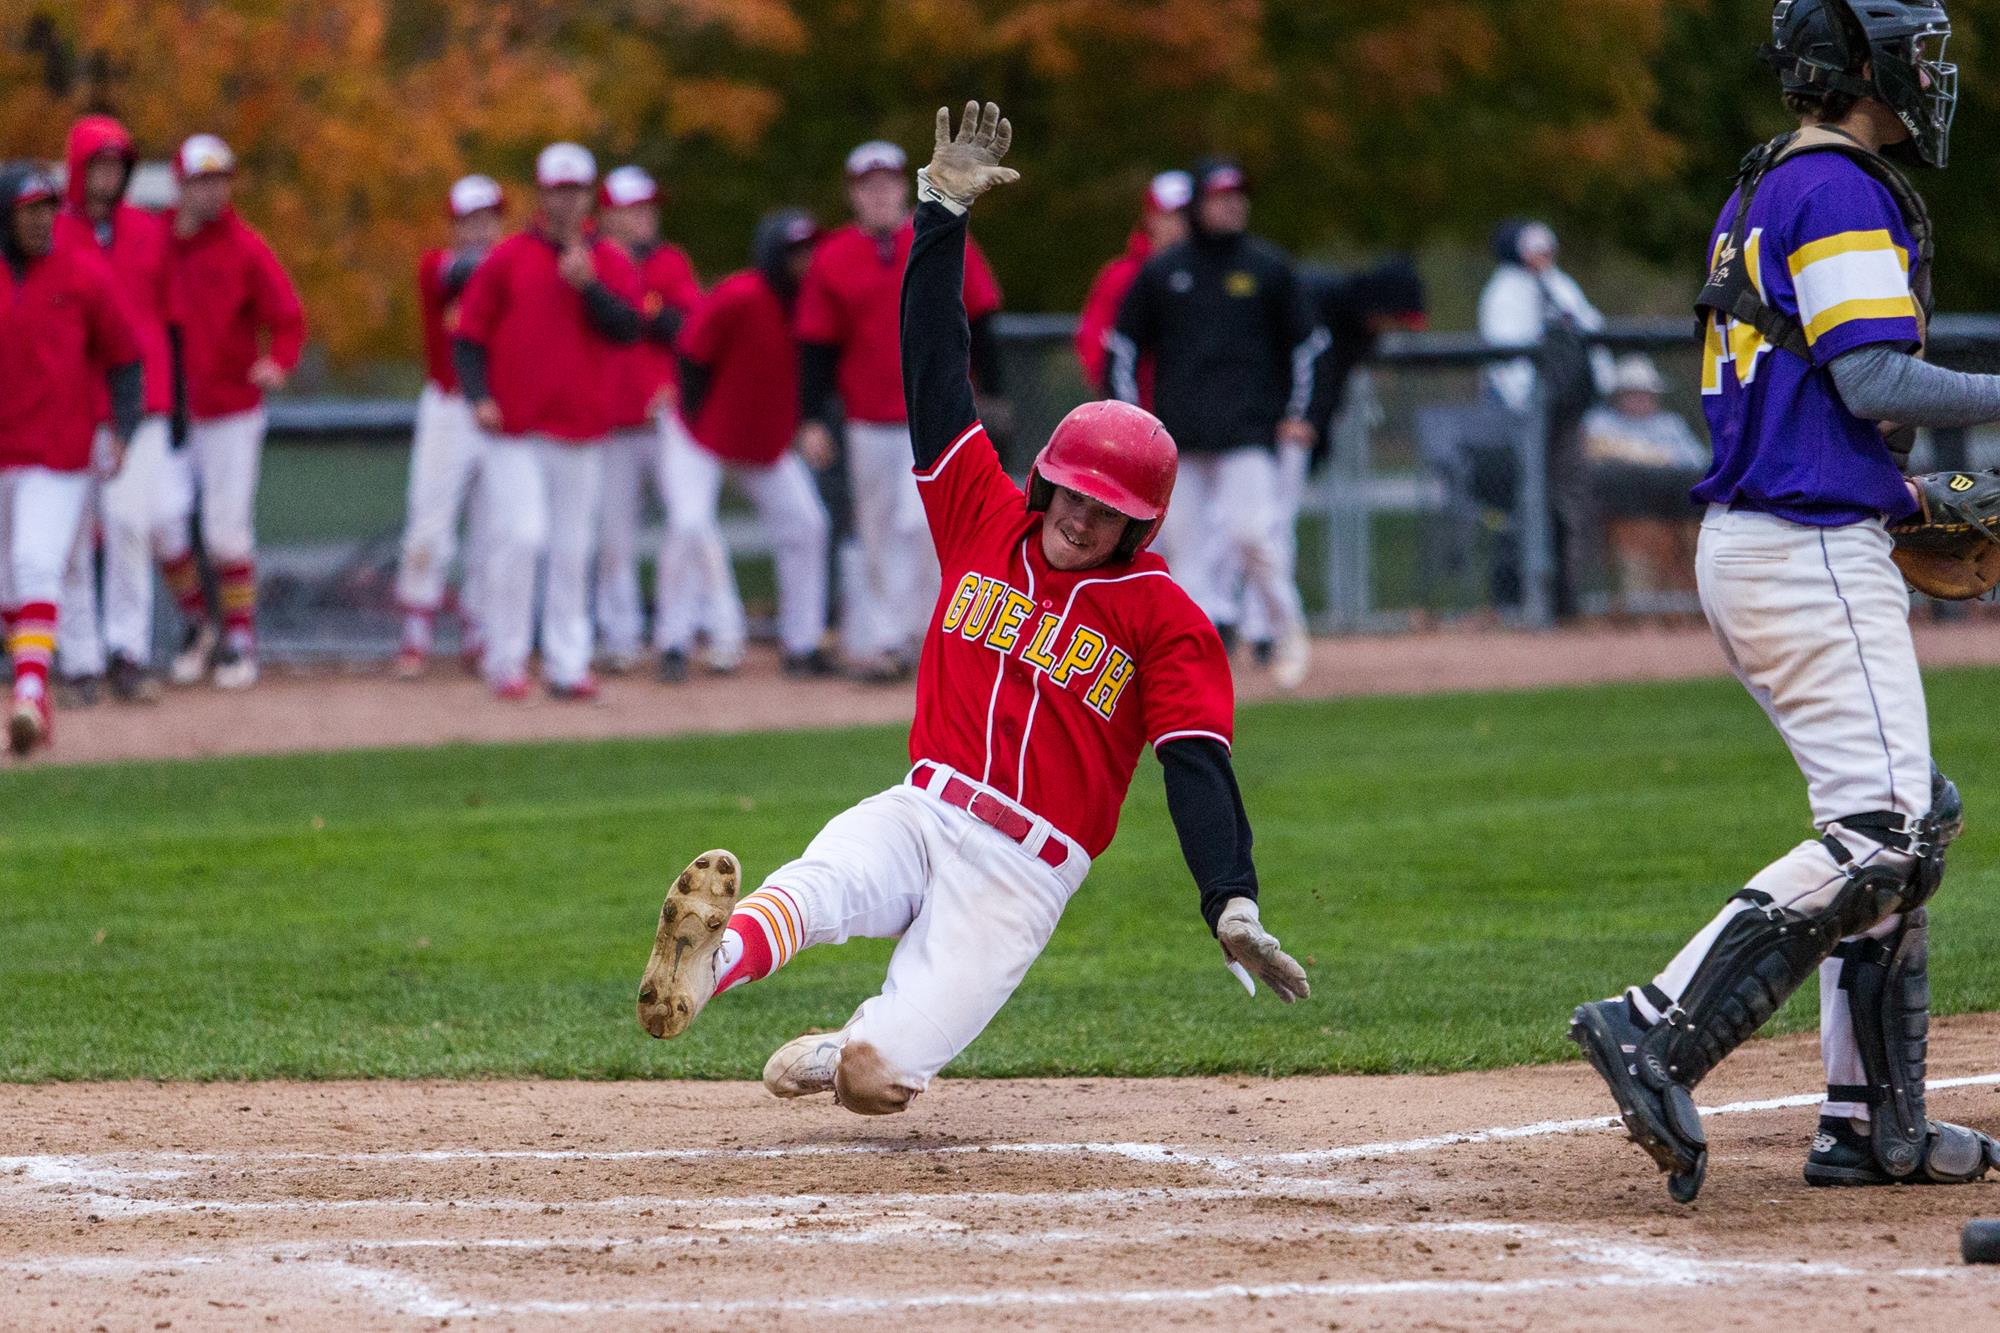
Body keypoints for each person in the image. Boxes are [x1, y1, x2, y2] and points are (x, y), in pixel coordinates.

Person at [635, 103, 1308, 1115]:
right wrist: (939, 211)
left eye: (1108, 509)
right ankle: (709, 960)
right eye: (1073, 492)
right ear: (1045, 480)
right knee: (823, 880)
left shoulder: (1161, 614)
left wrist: (1231, 898)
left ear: (1140, 523)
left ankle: (853, 1043)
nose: (1082, 518)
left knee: (871, 1083)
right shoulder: (981, 516)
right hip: (925, 803)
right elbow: (932, 363)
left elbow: (1194, 763)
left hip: (1019, 875)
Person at [1570, 0, 2000, 1204]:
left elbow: (1815, 396)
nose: (1928, 75)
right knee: (1883, 836)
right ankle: (1654, 1024)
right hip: (1801, 546)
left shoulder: (1771, 183)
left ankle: (1867, 1125)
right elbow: (1868, 375)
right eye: (1910, 54)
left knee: (1907, 818)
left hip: (1781, 532)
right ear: (1854, 69)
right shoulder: (1836, 186)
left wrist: (1904, 496)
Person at [1107, 158, 1323, 690]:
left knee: (1255, 535)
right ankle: (1197, 662)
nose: (1232, 204)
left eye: (1238, 196)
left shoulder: (1268, 268)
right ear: (1199, 205)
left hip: (1248, 433)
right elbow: (1122, 347)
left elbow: (1309, 346)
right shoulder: (1164, 272)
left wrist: (1301, 413)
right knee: (1188, 553)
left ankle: (1287, 631)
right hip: (1179, 440)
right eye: (1221, 196)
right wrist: (1130, 421)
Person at [796, 138, 1005, 683]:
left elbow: (982, 319)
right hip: (870, 420)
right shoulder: (834, 255)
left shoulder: (938, 235)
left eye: (889, 182)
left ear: (905, 188)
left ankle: (932, 633)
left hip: (937, 420)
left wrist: (997, 391)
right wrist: (813, 416)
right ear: (854, 194)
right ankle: (890, 638)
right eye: (869, 185)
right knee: (877, 530)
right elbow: (816, 346)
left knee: (924, 528)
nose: (880, 194)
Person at [453, 142, 645, 701]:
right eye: (557, 191)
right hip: (514, 428)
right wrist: (477, 395)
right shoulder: (509, 256)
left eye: (576, 190)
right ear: (541, 195)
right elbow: (469, 333)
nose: (566, 201)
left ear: (589, 196)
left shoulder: (607, 259)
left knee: (571, 548)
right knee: (522, 536)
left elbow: (629, 329)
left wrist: (588, 286)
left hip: (580, 430)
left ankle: (567, 662)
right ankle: (505, 658)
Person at [0, 163, 142, 755]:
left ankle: (30, 693)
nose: (40, 220)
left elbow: (126, 356)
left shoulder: (81, 273)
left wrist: (123, 429)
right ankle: (38, 700)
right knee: (8, 585)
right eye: (29, 209)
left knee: (37, 563)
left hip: (61, 450)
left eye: (48, 208)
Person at [661, 209, 834, 680]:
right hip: (701, 436)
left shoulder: (817, 305)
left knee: (808, 525)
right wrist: (700, 422)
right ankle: (673, 644)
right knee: (689, 525)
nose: (805, 259)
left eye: (808, 250)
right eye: (794, 251)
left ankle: (801, 644)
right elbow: (691, 352)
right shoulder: (740, 295)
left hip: (764, 445)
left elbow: (816, 375)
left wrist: (804, 425)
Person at [159, 134, 305, 690]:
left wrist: (279, 362)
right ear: (181, 184)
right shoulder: (158, 242)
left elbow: (288, 317)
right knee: (162, 526)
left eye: (220, 179)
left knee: (226, 534)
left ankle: (238, 637)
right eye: (201, 179)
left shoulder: (244, 246)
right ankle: (199, 625)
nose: (212, 189)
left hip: (230, 408)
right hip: (167, 409)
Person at [1239, 256, 1428, 658]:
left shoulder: (1355, 327)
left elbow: (1329, 386)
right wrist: (1291, 414)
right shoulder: (1312, 298)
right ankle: (1236, 624)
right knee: (1240, 528)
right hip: (1258, 427)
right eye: (1395, 316)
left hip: (1291, 435)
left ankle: (1265, 628)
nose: (1392, 327)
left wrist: (1311, 426)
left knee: (1269, 528)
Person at [53, 115, 175, 705]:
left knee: (130, 527)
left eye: (116, 164)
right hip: (72, 403)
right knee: (72, 540)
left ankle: (127, 653)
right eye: (98, 163)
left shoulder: (147, 229)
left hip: (140, 404)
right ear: (79, 169)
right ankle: (79, 662)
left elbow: (171, 316)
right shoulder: (50, 231)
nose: (108, 174)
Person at [591, 165, 704, 677]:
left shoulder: (669, 261)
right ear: (608, 214)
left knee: (690, 521)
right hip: (612, 420)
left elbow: (689, 327)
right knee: (614, 538)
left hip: (665, 414)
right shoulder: (590, 260)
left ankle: (689, 634)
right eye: (632, 209)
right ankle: (620, 636)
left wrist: (644, 311)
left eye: (647, 207)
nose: (644, 217)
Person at [393, 174, 505, 678]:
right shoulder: (436, 265)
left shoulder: (511, 266)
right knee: (430, 526)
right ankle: (415, 635)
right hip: (449, 406)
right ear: (454, 225)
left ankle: (479, 629)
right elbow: (459, 275)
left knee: (493, 530)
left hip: (502, 410)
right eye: (469, 220)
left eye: (487, 218)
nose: (479, 229)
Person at [1477, 218, 1612, 619]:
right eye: (1533, 249)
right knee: (1522, 505)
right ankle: (1516, 603)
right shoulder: (1505, 291)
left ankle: (1567, 599)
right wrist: (1526, 407)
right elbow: (1507, 360)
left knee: (1569, 500)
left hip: (1566, 415)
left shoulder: (1560, 284)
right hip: (1520, 419)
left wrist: (1600, 389)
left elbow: (1592, 333)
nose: (1542, 257)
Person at [1578, 354, 1706, 609]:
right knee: (1635, 541)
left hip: (1675, 510)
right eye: (1632, 393)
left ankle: (1690, 605)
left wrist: (1652, 458)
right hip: (1625, 512)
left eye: (1645, 393)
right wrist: (1644, 455)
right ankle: (1639, 609)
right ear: (1619, 395)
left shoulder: (1670, 425)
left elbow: (1696, 463)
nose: (1640, 399)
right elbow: (1592, 450)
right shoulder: (1601, 422)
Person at [1074, 170, 1192, 399]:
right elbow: (1095, 339)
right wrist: (1115, 398)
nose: (1181, 225)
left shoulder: (1211, 275)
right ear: (1151, 218)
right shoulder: (1123, 275)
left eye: (1187, 216)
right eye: (1171, 216)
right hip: (1139, 411)